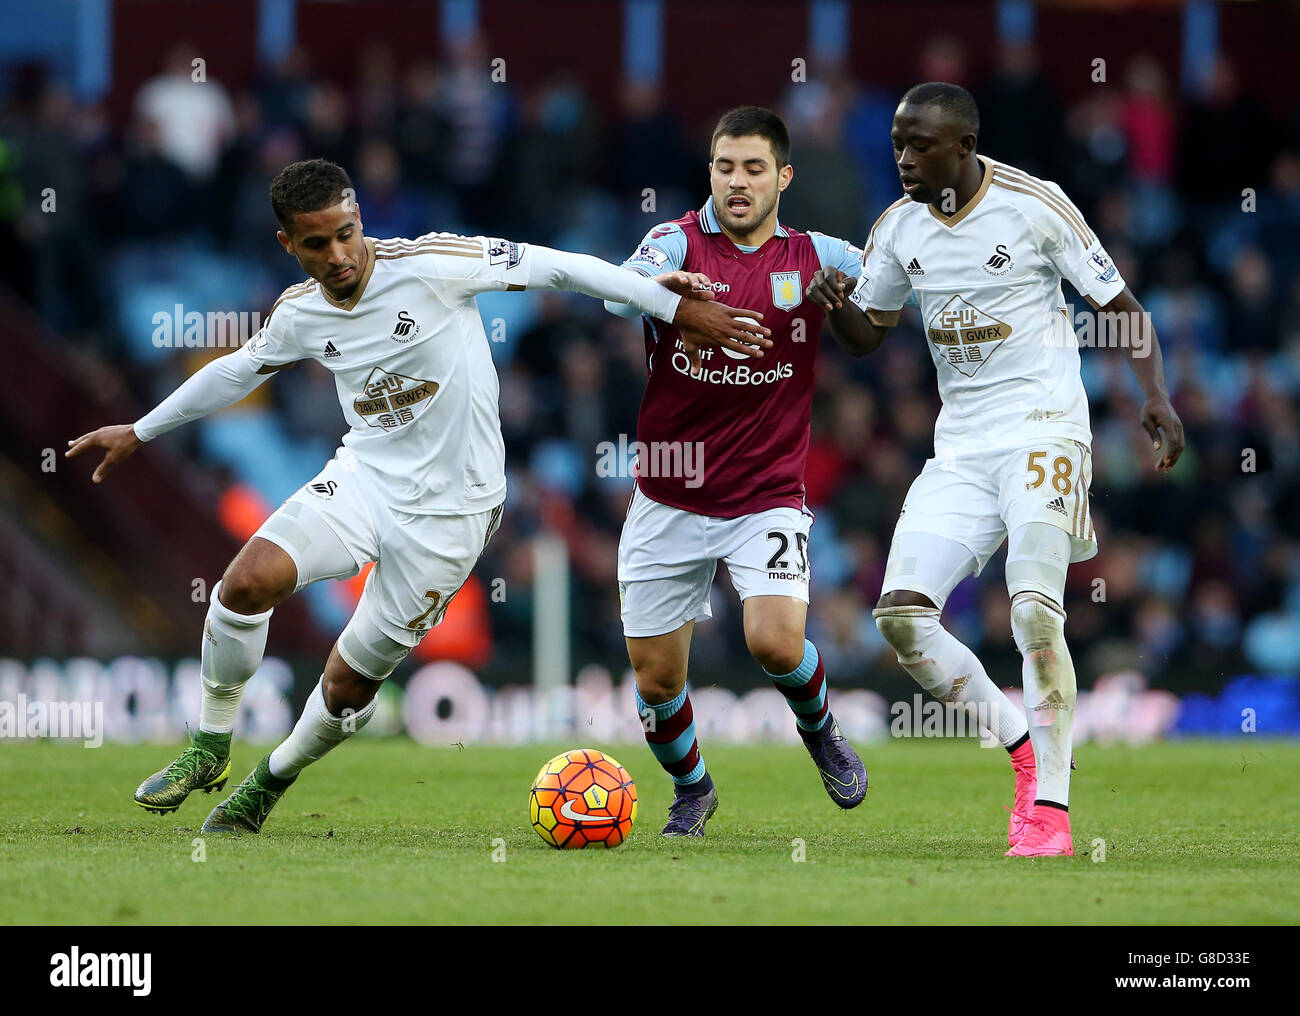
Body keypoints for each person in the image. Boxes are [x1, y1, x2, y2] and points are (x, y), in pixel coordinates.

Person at [67, 157, 770, 835]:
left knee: (348, 685)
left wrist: (664, 302)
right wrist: (141, 427)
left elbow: (557, 266)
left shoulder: (432, 265)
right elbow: (238, 372)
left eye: (347, 232)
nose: (339, 254)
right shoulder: (300, 314)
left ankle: (269, 783)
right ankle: (210, 748)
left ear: (359, 218)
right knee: (244, 585)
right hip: (366, 478)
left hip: (453, 513)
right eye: (317, 243)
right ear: (289, 244)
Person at [808, 83, 1185, 857]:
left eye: (920, 146)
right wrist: (834, 306)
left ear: (964, 145)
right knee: (903, 618)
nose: (905, 160)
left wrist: (1153, 393)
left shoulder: (1033, 203)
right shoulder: (899, 226)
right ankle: (1019, 743)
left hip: (1046, 430)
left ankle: (1050, 808)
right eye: (897, 146)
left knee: (1033, 612)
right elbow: (869, 334)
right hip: (963, 449)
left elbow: (1119, 303)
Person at [605, 107, 869, 837]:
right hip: (668, 495)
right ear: (710, 172)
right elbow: (610, 290)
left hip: (766, 495)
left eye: (754, 168)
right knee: (658, 683)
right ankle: (694, 788)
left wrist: (849, 310)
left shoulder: (821, 255)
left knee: (775, 642)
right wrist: (675, 303)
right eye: (725, 166)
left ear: (783, 176)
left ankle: (819, 730)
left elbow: (886, 302)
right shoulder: (673, 241)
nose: (738, 181)